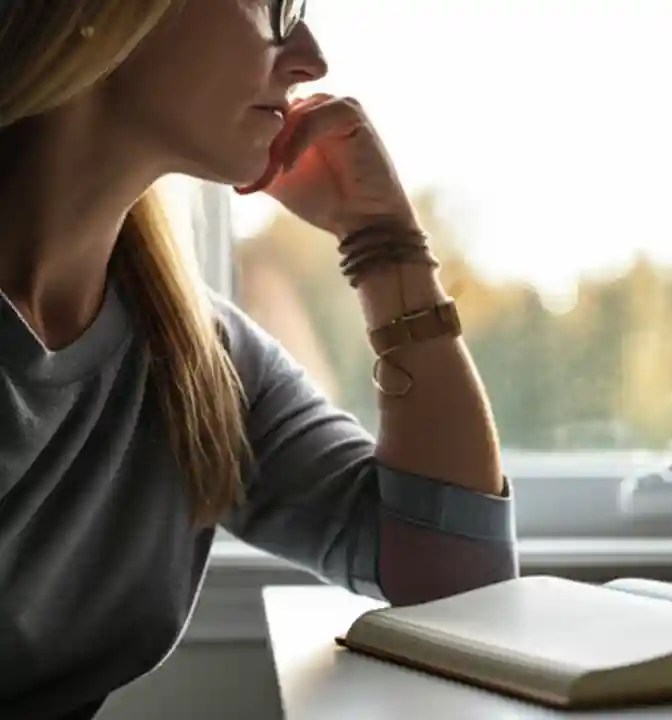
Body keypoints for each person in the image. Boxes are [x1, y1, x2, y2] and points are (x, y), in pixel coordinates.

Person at [0, 1, 517, 717]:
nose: (310, 57)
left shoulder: (190, 352)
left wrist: (385, 244)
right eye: (272, 7)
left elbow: (459, 580)